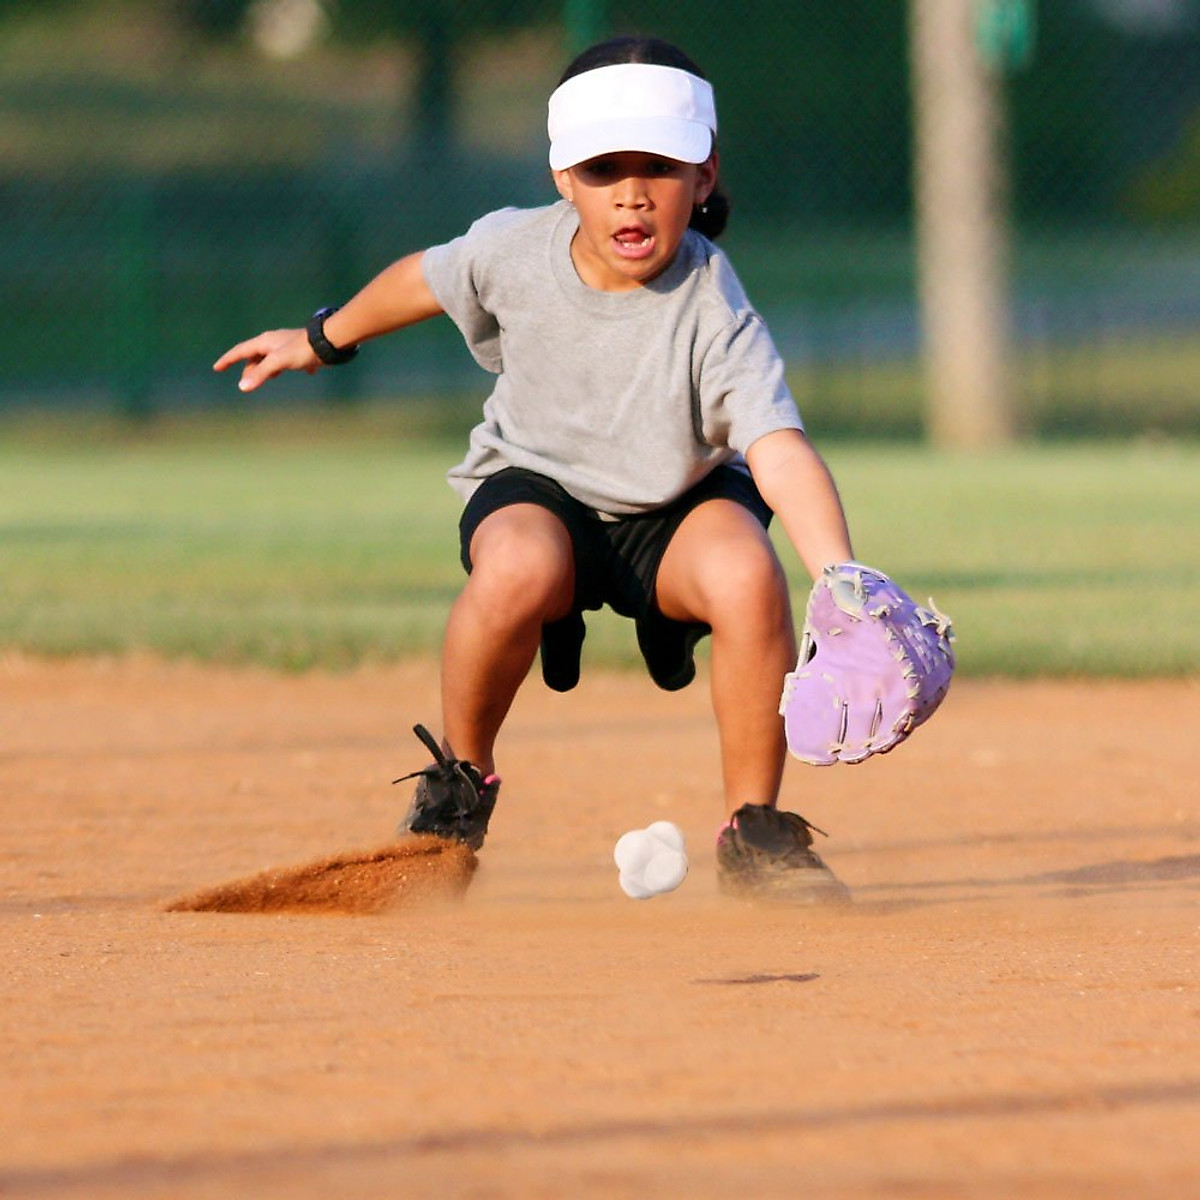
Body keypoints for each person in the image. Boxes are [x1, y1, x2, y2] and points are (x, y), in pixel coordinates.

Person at [214, 35, 856, 902]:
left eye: (659, 166)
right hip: (538, 486)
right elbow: (424, 280)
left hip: (676, 504)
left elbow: (776, 444)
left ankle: (755, 832)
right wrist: (322, 339)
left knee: (748, 572)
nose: (631, 192)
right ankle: (456, 793)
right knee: (517, 564)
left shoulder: (714, 303)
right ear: (563, 176)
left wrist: (841, 579)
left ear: (704, 175)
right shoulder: (513, 249)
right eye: (603, 168)